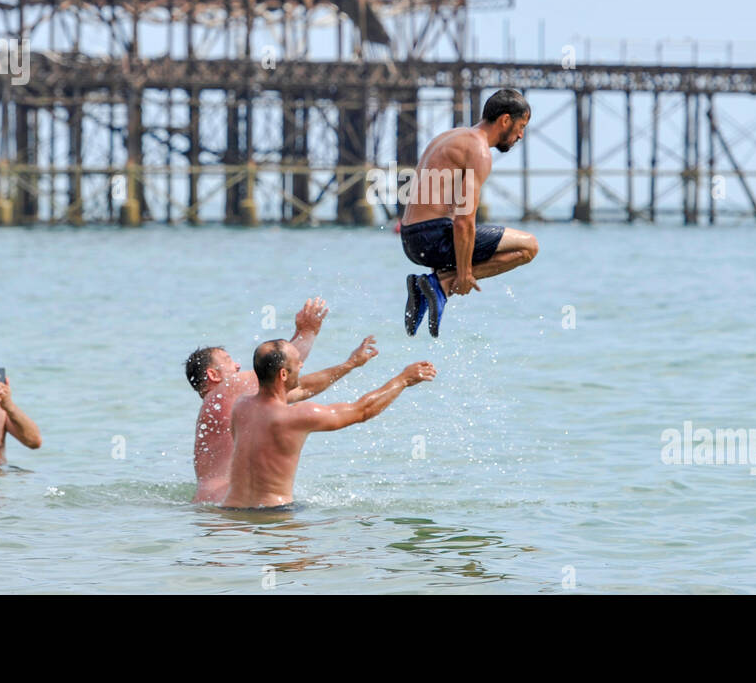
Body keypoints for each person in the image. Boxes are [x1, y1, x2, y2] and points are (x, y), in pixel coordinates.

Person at [185, 297, 379, 503]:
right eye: (228, 361)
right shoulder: (226, 390)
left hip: (211, 507)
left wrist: (349, 365)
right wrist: (308, 331)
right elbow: (279, 363)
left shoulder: (229, 406)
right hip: (228, 503)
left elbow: (302, 387)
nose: (238, 366)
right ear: (213, 375)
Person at [222, 339, 435, 510]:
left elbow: (304, 388)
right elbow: (362, 411)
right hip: (274, 514)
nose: (302, 365)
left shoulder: (241, 406)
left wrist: (350, 365)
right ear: (283, 374)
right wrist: (403, 380)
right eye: (298, 362)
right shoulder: (296, 416)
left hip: (232, 512)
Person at [400, 88, 539, 337]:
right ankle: (441, 283)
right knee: (529, 247)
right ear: (505, 120)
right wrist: (463, 274)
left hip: (411, 239)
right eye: (521, 126)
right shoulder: (479, 151)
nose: (521, 135)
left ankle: (431, 285)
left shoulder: (451, 136)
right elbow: (464, 221)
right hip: (432, 239)